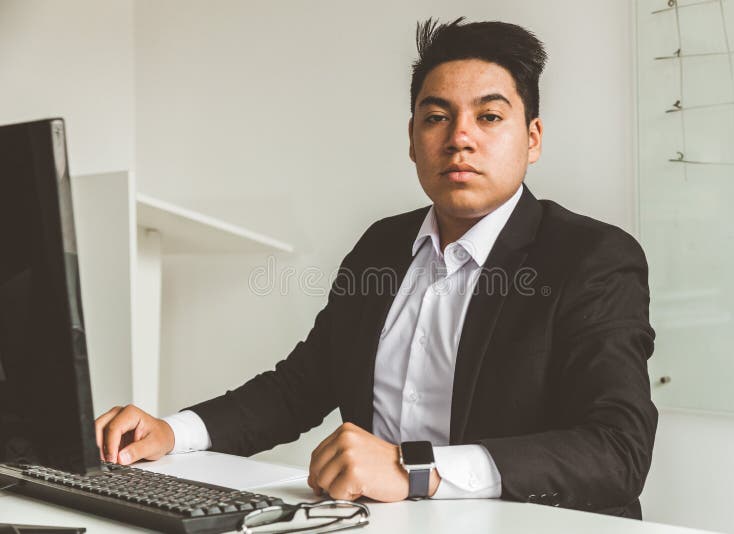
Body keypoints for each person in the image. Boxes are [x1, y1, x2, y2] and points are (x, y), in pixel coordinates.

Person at [95, 17, 657, 518]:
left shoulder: (593, 258)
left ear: (532, 139)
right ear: (413, 140)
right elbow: (300, 387)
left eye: (489, 116)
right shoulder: (383, 247)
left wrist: (416, 469)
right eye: (437, 117)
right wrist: (173, 432)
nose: (460, 138)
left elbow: (617, 449)